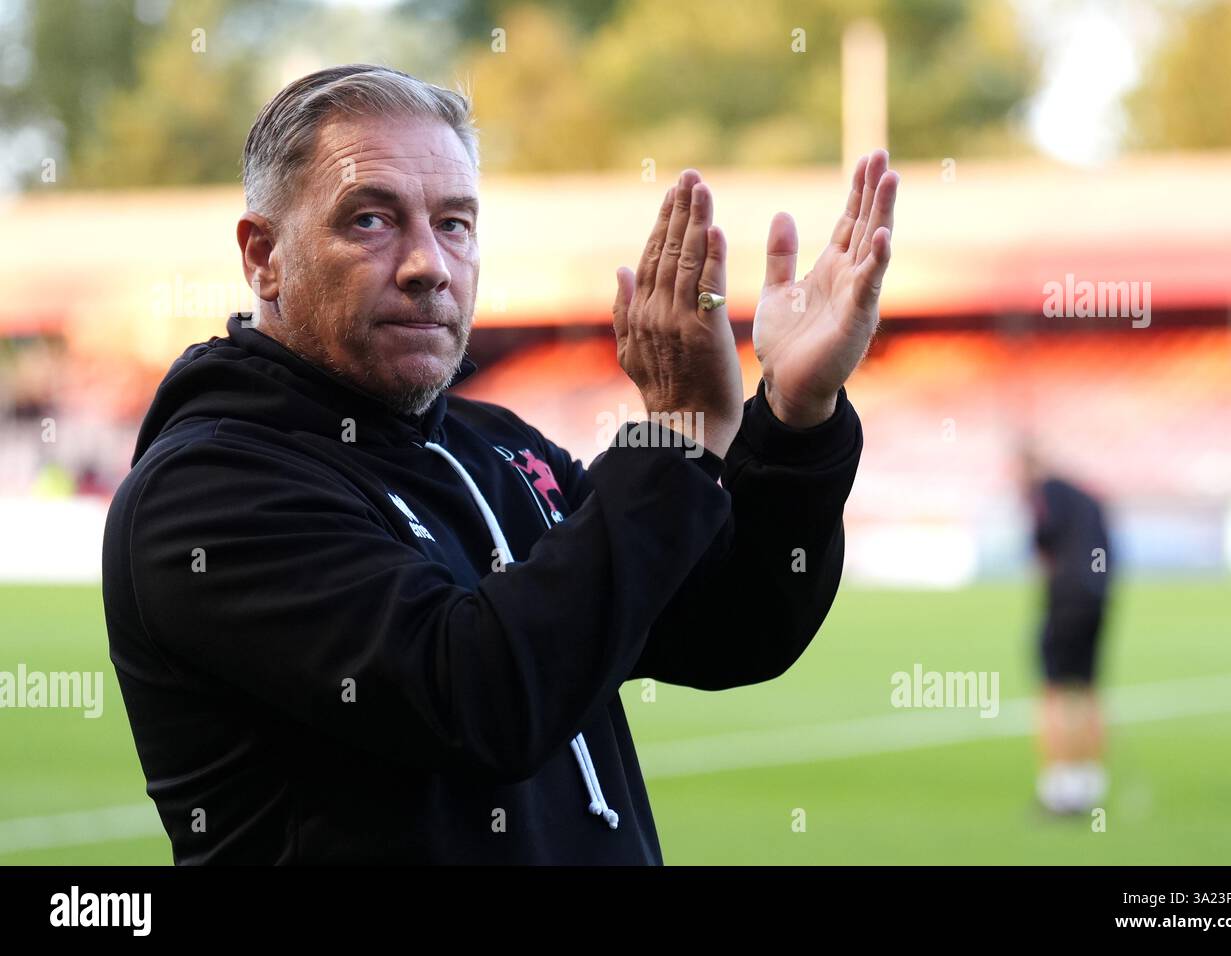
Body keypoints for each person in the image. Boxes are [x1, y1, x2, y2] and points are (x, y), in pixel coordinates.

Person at [101, 64, 899, 863]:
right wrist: (676, 437)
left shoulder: (497, 448)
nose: (428, 265)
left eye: (454, 223)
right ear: (264, 255)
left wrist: (796, 419)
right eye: (371, 220)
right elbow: (477, 698)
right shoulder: (205, 492)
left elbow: (731, 627)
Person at [1020, 446, 1114, 815]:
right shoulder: (1088, 496)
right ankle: (1090, 782)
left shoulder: (1046, 492)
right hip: (1097, 597)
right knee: (1088, 687)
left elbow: (1043, 539)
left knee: (1054, 689)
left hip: (1065, 599)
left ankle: (1059, 789)